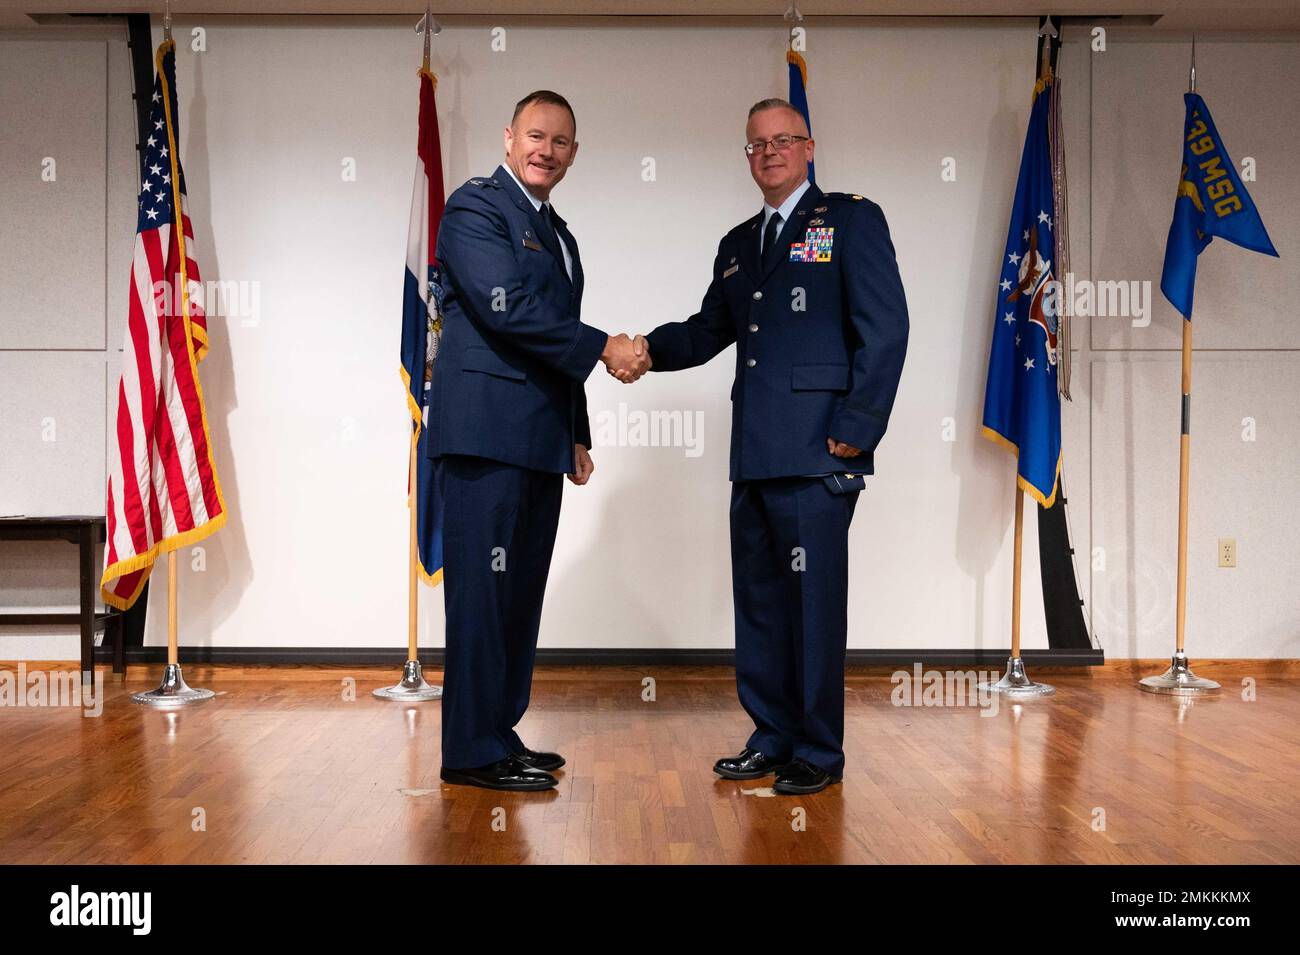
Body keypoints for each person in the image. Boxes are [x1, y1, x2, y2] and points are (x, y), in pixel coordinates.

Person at [638, 98, 909, 794]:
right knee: (759, 602)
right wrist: (640, 348)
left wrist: (859, 425)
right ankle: (771, 734)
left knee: (813, 606)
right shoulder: (738, 244)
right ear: (747, 155)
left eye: (783, 140)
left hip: (820, 453)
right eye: (757, 143)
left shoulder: (850, 219)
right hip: (755, 454)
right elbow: (705, 332)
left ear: (809, 146)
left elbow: (887, 328)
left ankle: (817, 751)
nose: (770, 152)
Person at [429, 90, 649, 791]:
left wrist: (574, 431)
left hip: (536, 441)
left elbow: (549, 343)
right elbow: (511, 311)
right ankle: (468, 750)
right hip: (484, 439)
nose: (544, 150)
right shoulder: (474, 208)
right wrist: (607, 345)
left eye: (559, 141)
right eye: (534, 135)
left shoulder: (560, 234)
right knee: (481, 597)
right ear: (508, 137)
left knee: (519, 595)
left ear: (573, 154)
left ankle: (499, 732)